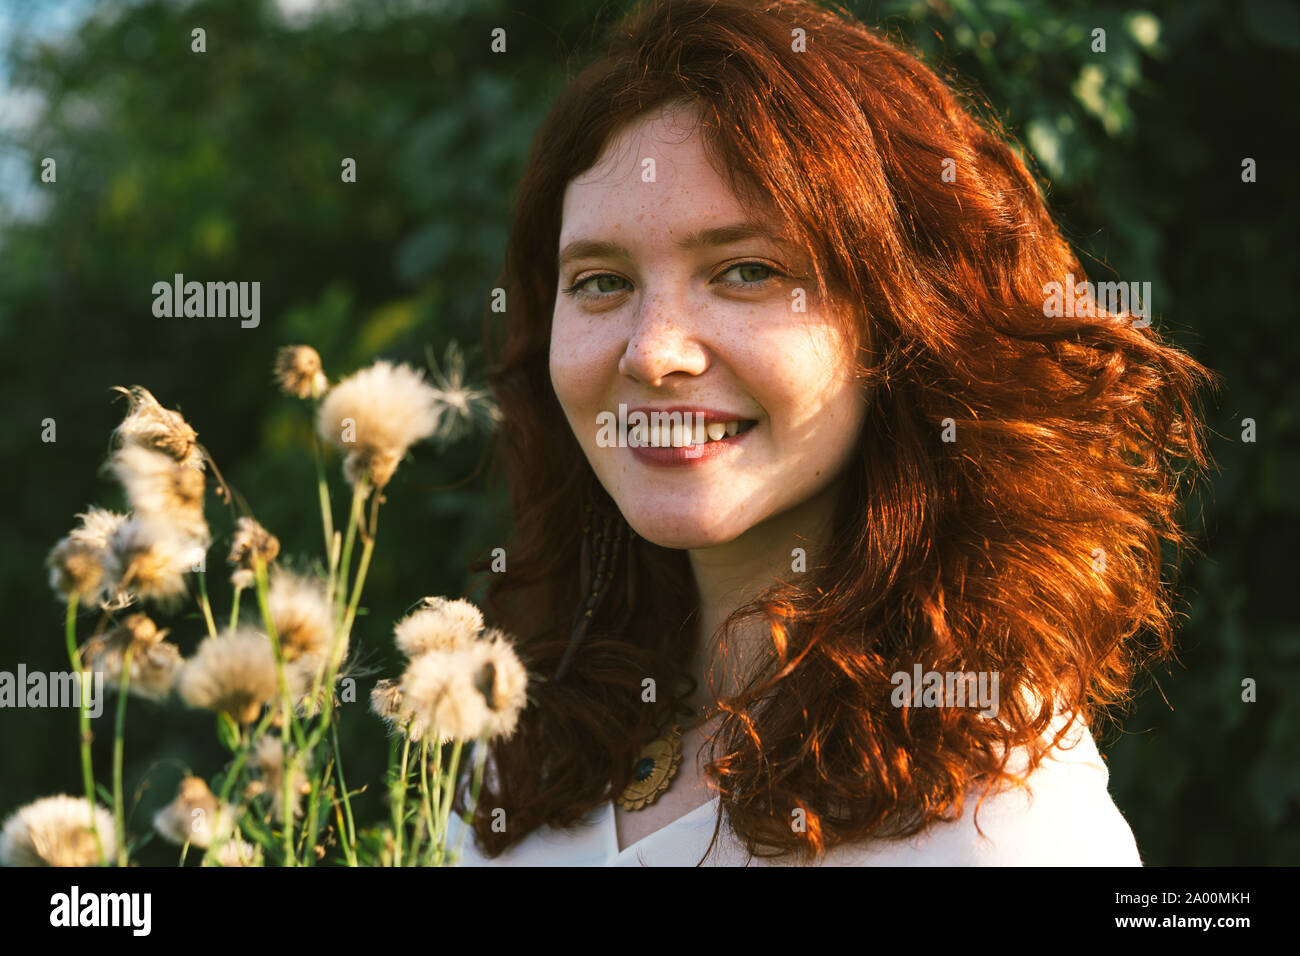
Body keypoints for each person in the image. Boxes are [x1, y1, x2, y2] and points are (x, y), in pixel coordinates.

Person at [447, 0, 1216, 866]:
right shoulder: (515, 745)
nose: (653, 351)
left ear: (904, 325)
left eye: (746, 270)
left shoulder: (997, 822)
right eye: (599, 281)